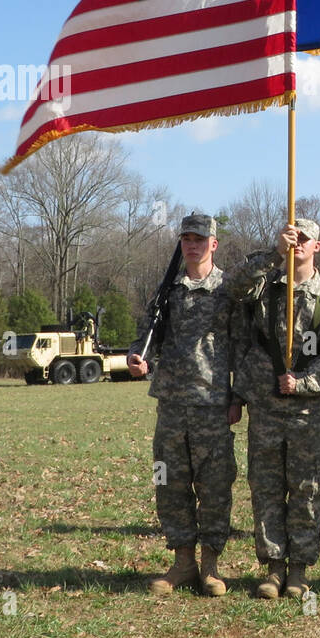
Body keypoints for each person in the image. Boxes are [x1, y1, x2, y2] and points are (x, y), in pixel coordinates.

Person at [230, 219, 320, 599]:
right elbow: (235, 288)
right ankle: (274, 567)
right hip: (264, 404)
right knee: (265, 487)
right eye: (292, 238)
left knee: (307, 488)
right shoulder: (265, 286)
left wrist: (305, 383)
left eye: (304, 239)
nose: (297, 244)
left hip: (307, 410)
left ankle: (299, 569)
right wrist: (272, 255)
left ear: (318, 247)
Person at [128, 214, 242, 597]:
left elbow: (242, 347)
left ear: (214, 243)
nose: (192, 245)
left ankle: (210, 565)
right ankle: (182, 562)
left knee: (215, 486)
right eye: (186, 238)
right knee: (168, 482)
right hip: (171, 405)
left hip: (212, 403)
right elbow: (147, 335)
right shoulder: (167, 291)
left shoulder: (228, 290)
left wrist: (237, 396)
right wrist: (137, 358)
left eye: (200, 239)